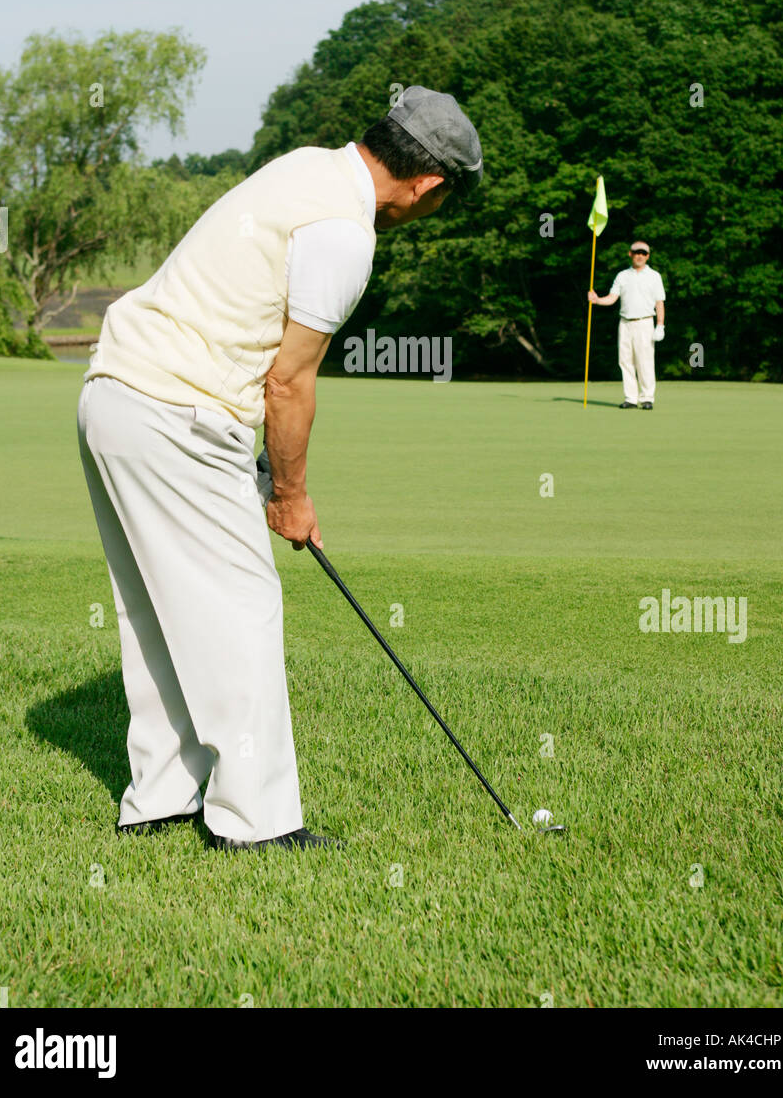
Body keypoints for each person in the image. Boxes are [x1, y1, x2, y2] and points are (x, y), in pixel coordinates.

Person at [77, 86, 483, 852]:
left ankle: (160, 799)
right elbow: (290, 382)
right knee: (243, 608)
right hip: (178, 412)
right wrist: (290, 496)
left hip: (114, 393)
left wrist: (260, 462)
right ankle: (256, 825)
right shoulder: (344, 232)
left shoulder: (307, 167)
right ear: (430, 185)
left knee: (158, 613)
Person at [587, 240, 665, 409]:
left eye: (643, 253)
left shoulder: (654, 276)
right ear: (630, 254)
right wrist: (597, 300)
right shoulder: (622, 276)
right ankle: (630, 398)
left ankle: (647, 398)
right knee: (625, 361)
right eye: (636, 252)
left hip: (645, 322)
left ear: (648, 256)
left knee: (645, 361)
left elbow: (659, 303)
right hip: (625, 323)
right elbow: (612, 298)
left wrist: (660, 325)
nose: (640, 256)